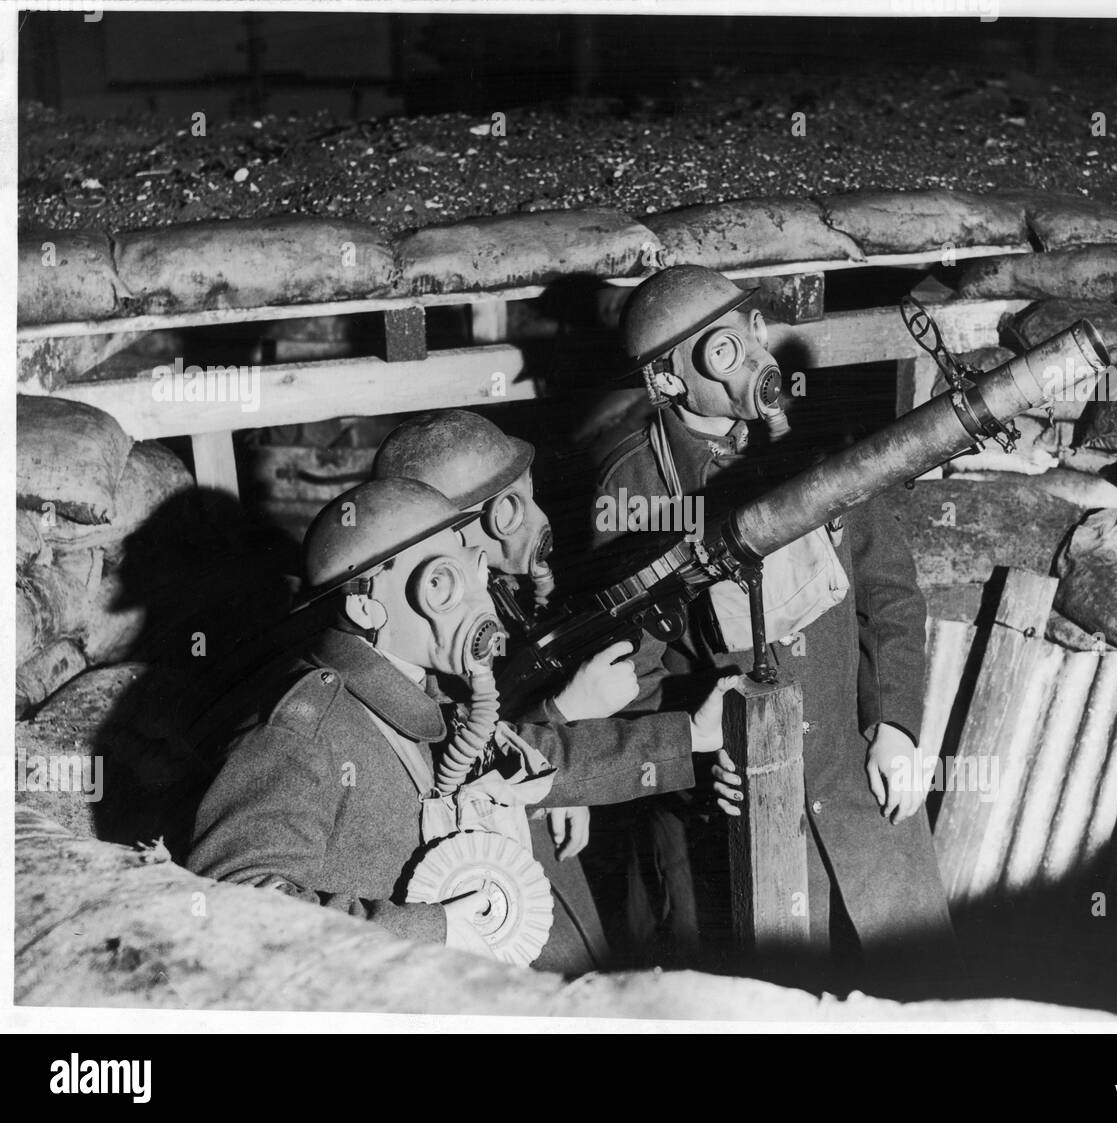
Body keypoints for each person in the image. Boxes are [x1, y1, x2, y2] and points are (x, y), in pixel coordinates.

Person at [188, 476, 738, 965]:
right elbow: (234, 905)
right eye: (442, 583)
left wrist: (691, 735)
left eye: (473, 570)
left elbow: (536, 759)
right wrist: (433, 929)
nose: (478, 600)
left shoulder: (412, 690)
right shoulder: (301, 729)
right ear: (364, 608)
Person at [592, 264, 954, 993]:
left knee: (920, 998)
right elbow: (622, 674)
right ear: (666, 381)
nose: (752, 357)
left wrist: (898, 725)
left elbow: (889, 593)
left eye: (752, 328)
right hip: (736, 830)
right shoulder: (636, 489)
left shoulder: (810, 439)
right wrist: (696, 764)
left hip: (859, 786)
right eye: (718, 351)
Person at [373, 409, 742, 973]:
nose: (530, 519)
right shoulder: (428, 623)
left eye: (527, 493)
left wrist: (573, 783)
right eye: (508, 507)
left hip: (537, 821)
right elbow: (453, 741)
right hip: (477, 870)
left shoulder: (502, 593)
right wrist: (569, 709)